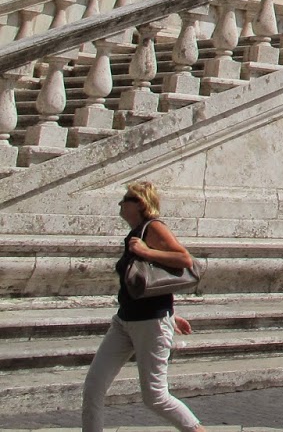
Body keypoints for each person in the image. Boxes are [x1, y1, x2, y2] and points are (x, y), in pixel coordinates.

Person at [82, 181, 207, 432]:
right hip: (124, 320)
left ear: (140, 203)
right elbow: (150, 283)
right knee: (93, 386)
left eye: (125, 199)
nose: (120, 203)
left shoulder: (154, 228)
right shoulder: (135, 232)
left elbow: (183, 258)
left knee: (155, 397)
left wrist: (146, 252)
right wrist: (173, 315)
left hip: (150, 322)